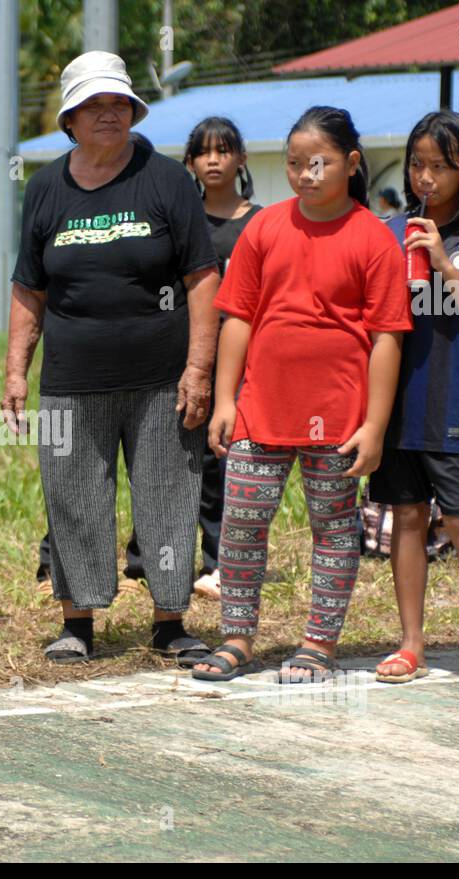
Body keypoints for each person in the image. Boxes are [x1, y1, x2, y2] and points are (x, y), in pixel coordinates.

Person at [3, 51, 220, 666]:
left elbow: (203, 277)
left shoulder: (167, 180)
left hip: (161, 376)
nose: (108, 114)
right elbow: (29, 287)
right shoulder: (46, 187)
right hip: (71, 378)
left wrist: (199, 369)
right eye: (93, 105)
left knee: (168, 495)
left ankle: (170, 621)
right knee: (72, 496)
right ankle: (79, 622)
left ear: (133, 110)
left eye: (117, 103)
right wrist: (16, 370)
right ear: (70, 118)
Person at [191, 106, 408, 683]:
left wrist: (375, 426)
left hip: (338, 418)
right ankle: (237, 638)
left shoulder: (375, 239)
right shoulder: (264, 227)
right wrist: (226, 400)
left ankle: (318, 645)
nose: (306, 174)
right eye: (293, 163)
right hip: (260, 411)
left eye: (319, 163)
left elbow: (387, 338)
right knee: (239, 524)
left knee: (334, 531)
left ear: (351, 163)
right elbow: (236, 317)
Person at [366, 111, 459, 696]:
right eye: (418, 164)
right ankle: (411, 644)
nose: (426, 176)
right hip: (396, 404)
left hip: (454, 404)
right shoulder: (387, 232)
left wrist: (441, 265)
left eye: (442, 166)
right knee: (406, 516)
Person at [181, 116, 262, 601]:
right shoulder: (181, 217)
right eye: (204, 152)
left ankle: (223, 562)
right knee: (180, 465)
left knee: (230, 463)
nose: (214, 160)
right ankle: (151, 559)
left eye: (224, 150)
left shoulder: (262, 222)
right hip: (187, 357)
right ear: (190, 162)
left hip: (246, 363)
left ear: (241, 159)